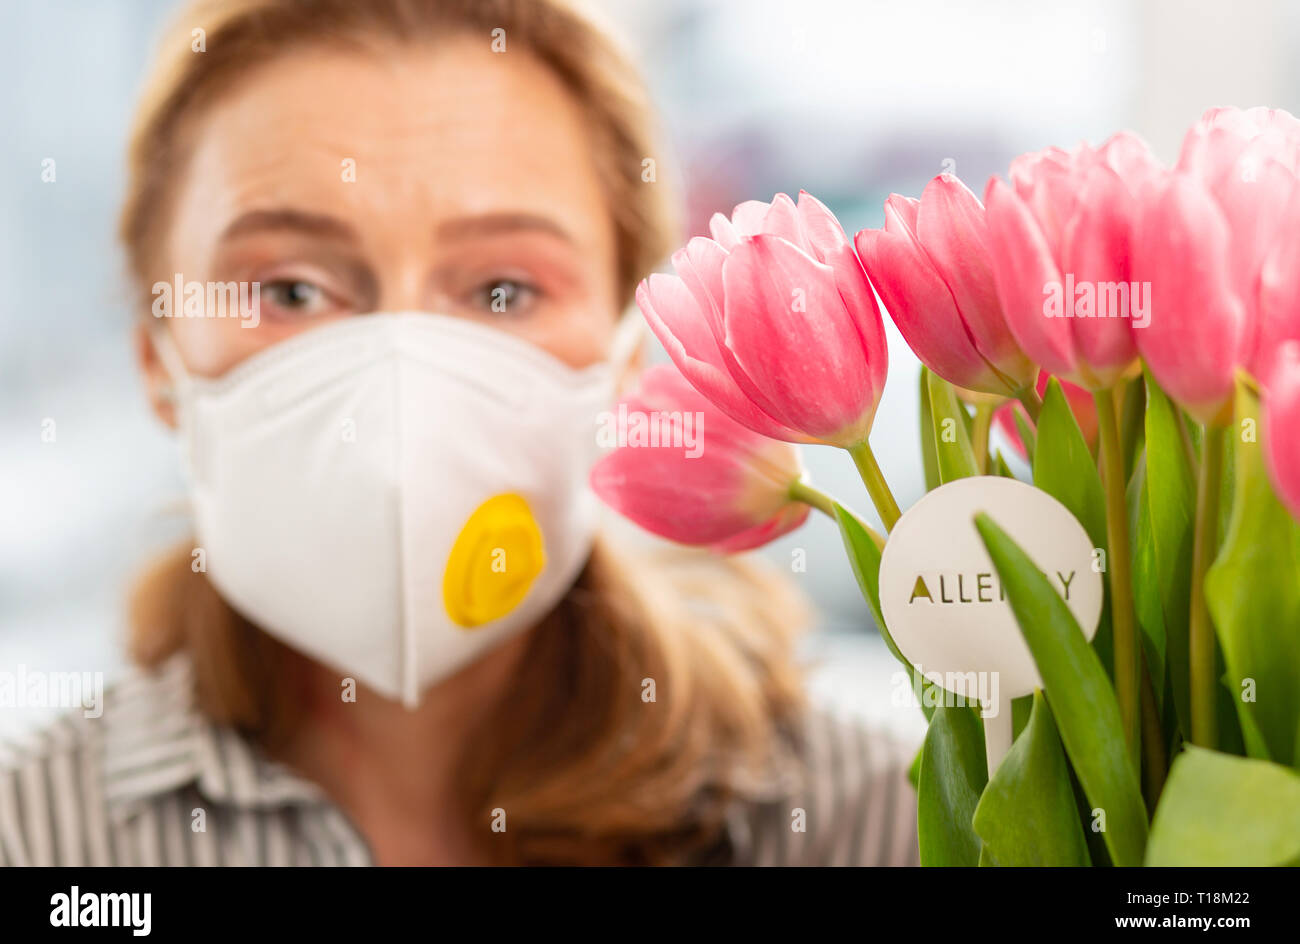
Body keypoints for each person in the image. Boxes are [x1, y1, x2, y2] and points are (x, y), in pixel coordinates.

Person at [0, 0, 918, 866]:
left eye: (503, 290)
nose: (402, 378)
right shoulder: (37, 836)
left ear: (626, 358)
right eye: (289, 290)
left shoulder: (873, 822)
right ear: (159, 358)